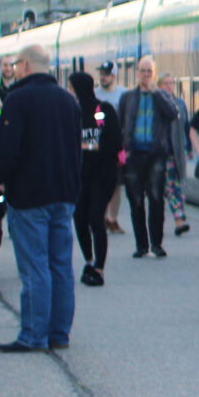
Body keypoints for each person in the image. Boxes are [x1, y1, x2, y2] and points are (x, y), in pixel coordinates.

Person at [0, 43, 81, 353]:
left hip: (29, 196)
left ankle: (33, 334)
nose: (14, 70)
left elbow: (8, 150)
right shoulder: (68, 101)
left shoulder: (16, 100)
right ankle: (59, 332)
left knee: (34, 267)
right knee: (60, 265)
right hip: (63, 194)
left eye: (16, 64)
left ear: (25, 65)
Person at [118, 57, 178, 260]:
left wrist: (156, 92)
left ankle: (157, 244)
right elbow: (120, 123)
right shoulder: (127, 97)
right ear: (136, 73)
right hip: (134, 154)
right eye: (142, 71)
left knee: (155, 198)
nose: (145, 75)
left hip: (156, 154)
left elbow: (172, 114)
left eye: (149, 72)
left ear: (154, 74)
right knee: (135, 200)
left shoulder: (160, 95)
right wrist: (122, 150)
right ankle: (141, 245)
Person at [70, 71, 123, 287]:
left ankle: (99, 267)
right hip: (80, 177)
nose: (69, 91)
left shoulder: (104, 110)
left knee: (95, 218)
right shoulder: (71, 112)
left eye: (71, 87)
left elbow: (115, 143)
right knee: (79, 219)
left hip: (103, 175)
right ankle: (89, 260)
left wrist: (87, 147)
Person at [157, 75, 192, 237]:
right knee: (170, 188)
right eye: (166, 84)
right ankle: (179, 219)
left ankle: (179, 219)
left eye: (171, 83)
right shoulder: (155, 104)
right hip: (160, 153)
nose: (169, 86)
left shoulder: (180, 104)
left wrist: (189, 148)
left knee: (174, 186)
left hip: (177, 152)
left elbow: (186, 126)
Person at [97, 62, 129, 238]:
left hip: (117, 146)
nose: (103, 77)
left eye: (107, 74)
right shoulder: (95, 95)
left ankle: (113, 218)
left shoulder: (123, 94)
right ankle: (102, 216)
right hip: (99, 147)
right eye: (102, 73)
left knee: (116, 185)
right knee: (101, 184)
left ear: (114, 75)